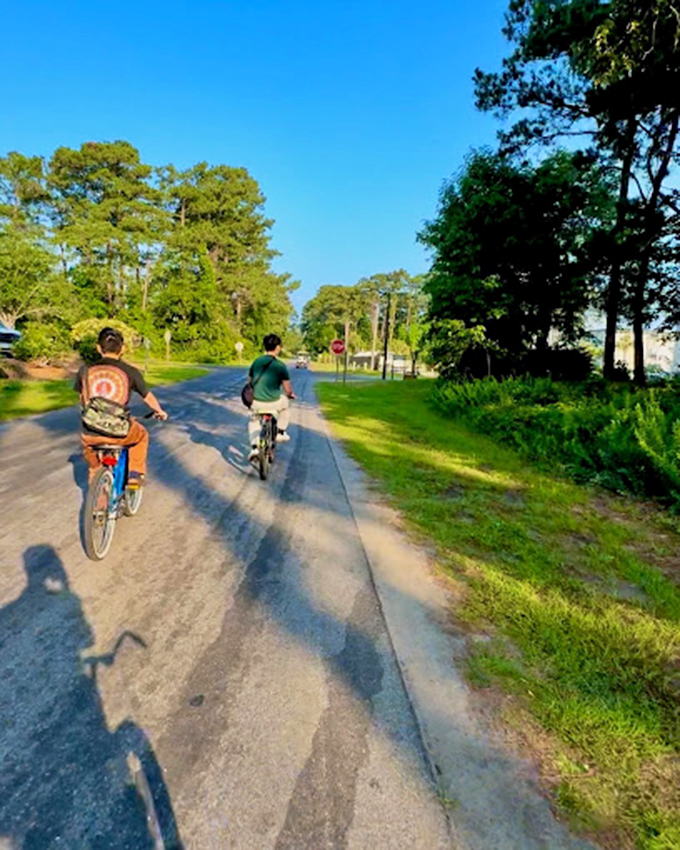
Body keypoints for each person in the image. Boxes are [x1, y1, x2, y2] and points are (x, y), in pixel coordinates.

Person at [75, 327, 168, 487]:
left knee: (93, 462)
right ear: (123, 349)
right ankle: (135, 474)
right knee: (142, 436)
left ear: (98, 347)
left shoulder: (85, 371)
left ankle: (98, 502)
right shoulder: (130, 371)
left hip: (90, 432)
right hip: (120, 430)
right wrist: (159, 411)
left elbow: (82, 398)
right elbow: (147, 397)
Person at [247, 333, 296, 461]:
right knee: (286, 406)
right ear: (278, 348)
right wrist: (291, 395)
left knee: (254, 421)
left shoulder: (256, 362)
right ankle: (280, 432)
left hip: (257, 402)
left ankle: (254, 448)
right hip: (274, 402)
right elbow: (287, 389)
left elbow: (249, 382)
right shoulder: (280, 365)